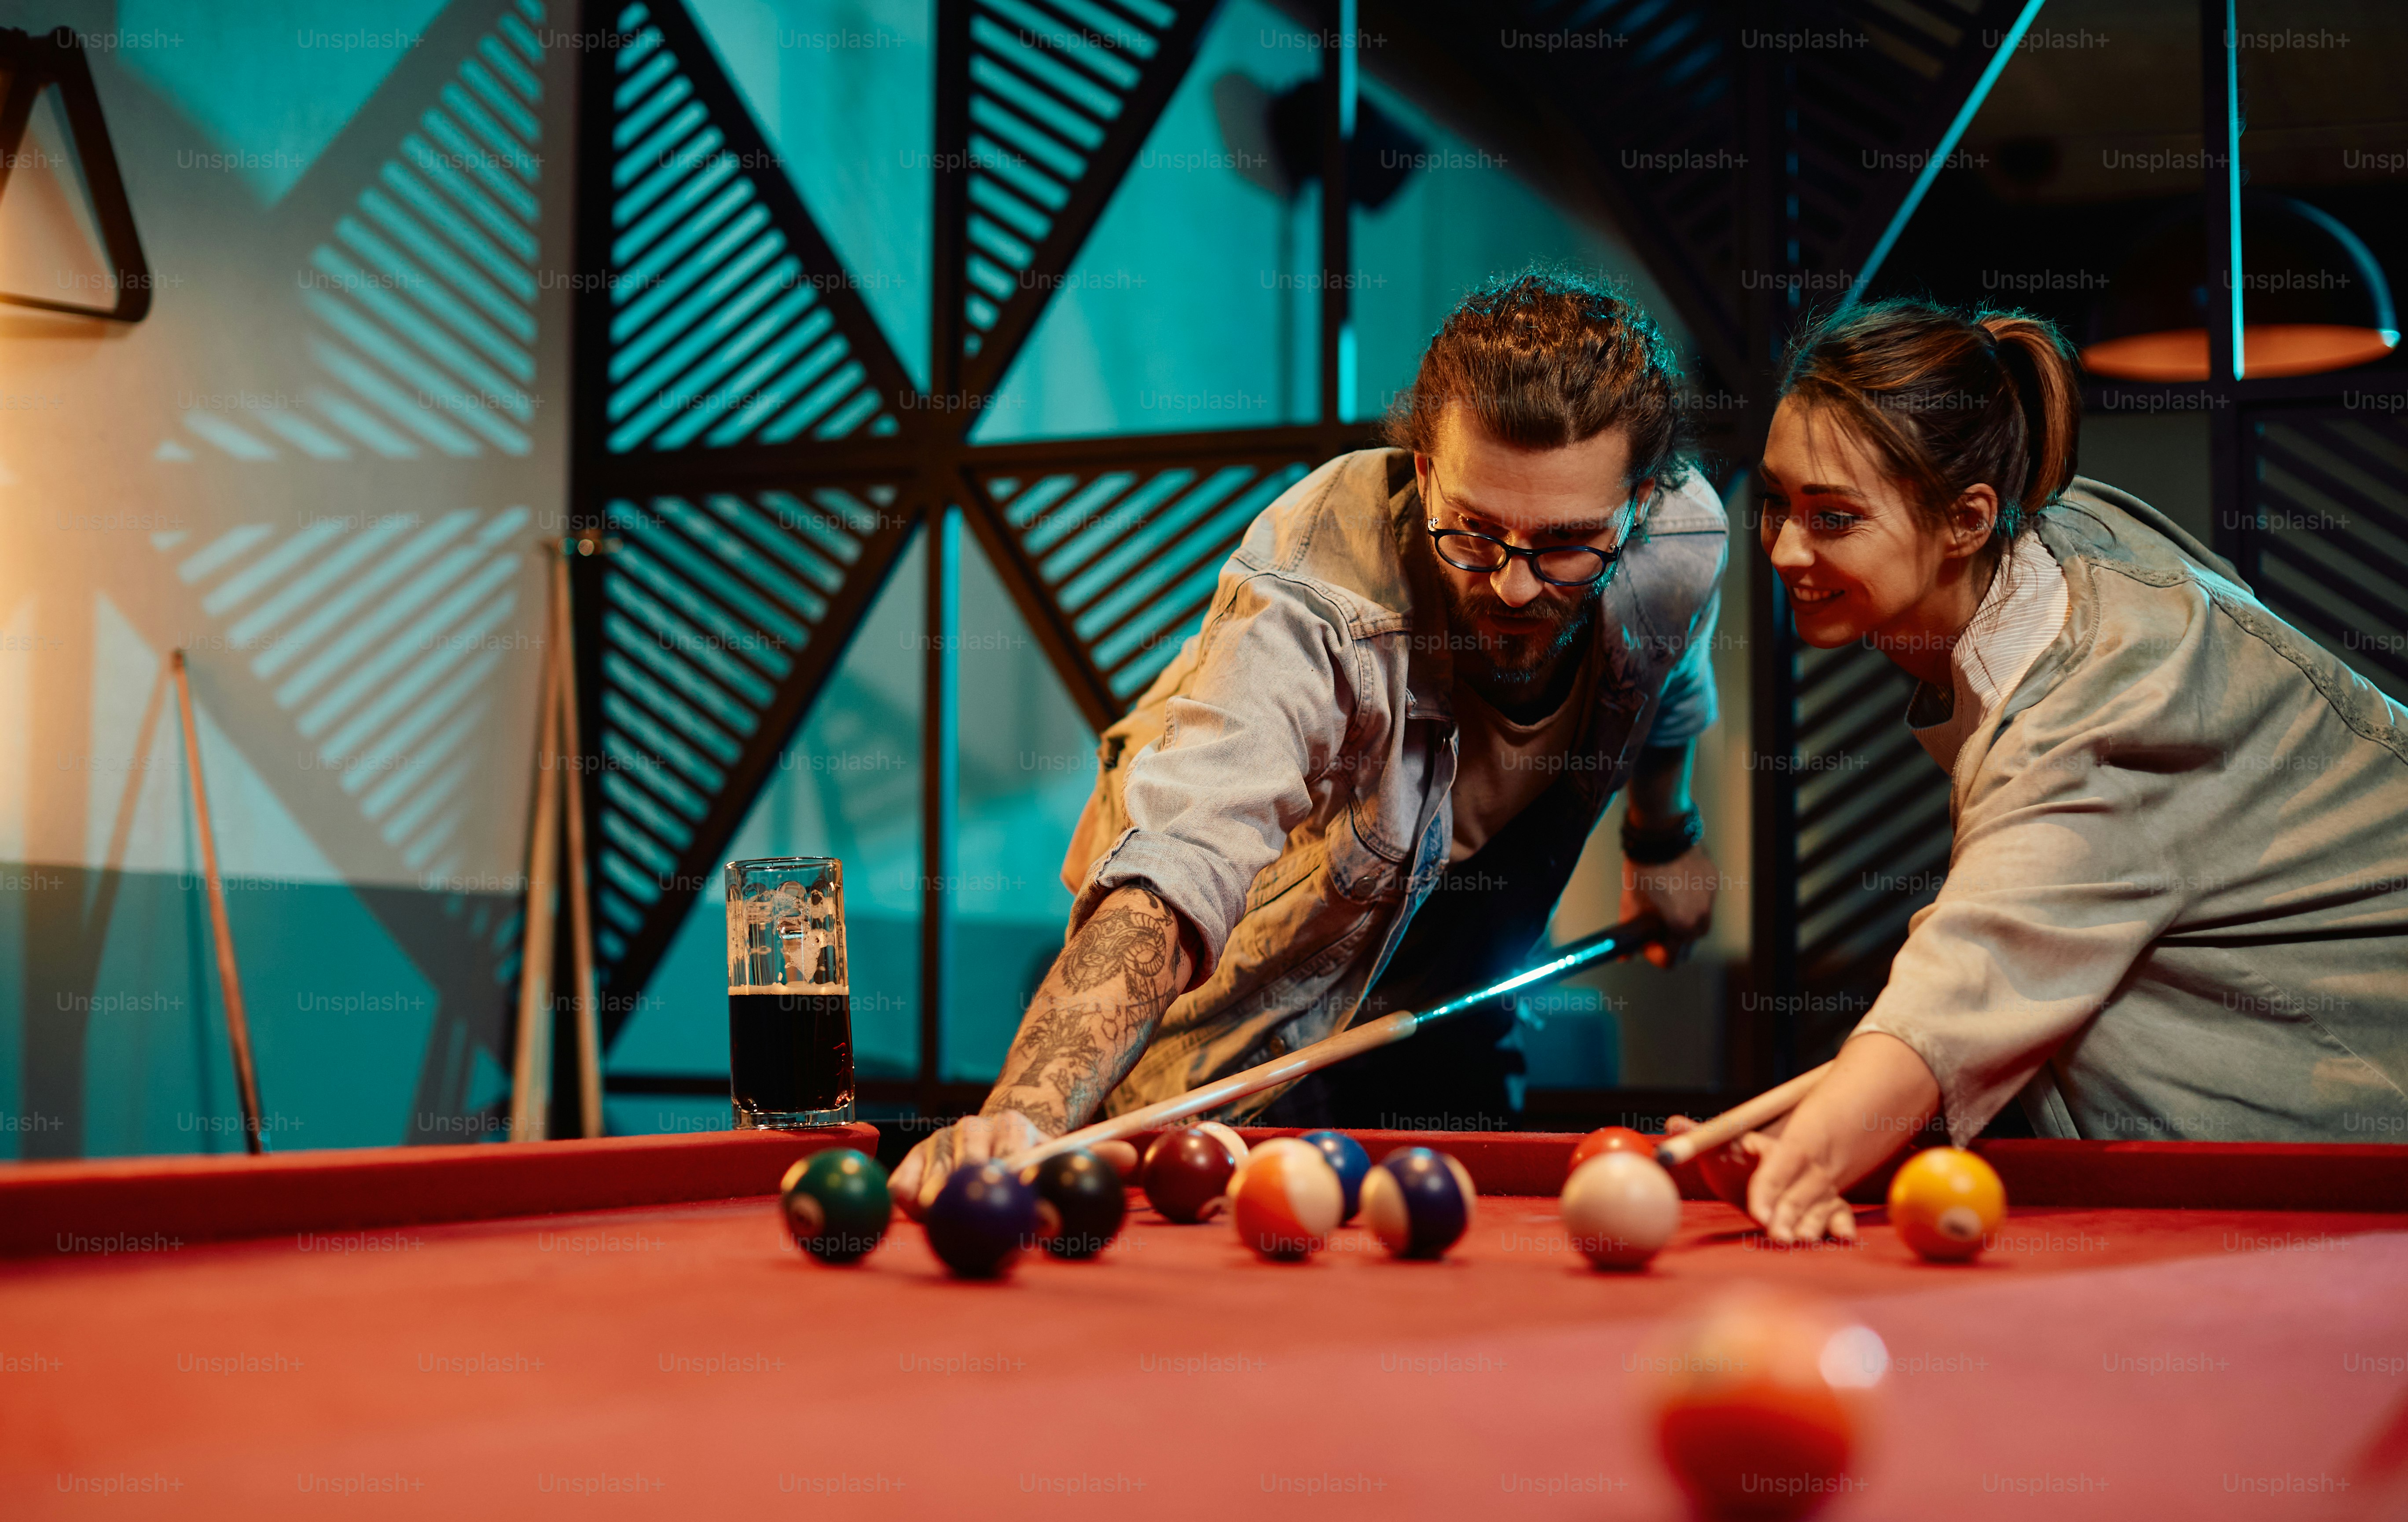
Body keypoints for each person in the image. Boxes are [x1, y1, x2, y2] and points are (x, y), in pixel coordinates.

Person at [894, 270, 1729, 1206]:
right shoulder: (1313, 597)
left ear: (1646, 504)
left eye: (1567, 546)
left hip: (1456, 982)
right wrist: (1028, 1116)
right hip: (1255, 1011)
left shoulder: (1683, 547)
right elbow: (1181, 861)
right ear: (1424, 474)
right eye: (1476, 533)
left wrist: (1664, 834)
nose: (1514, 587)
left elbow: (1663, 680)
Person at [1731, 300, 2408, 1245]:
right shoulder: (2037, 524)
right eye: (1778, 502)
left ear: (1968, 519)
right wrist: (1827, 1122)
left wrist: (1811, 1151)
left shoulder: (2110, 691)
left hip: (2365, 1115)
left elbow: (1983, 957)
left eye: (1833, 518)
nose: (1786, 550)